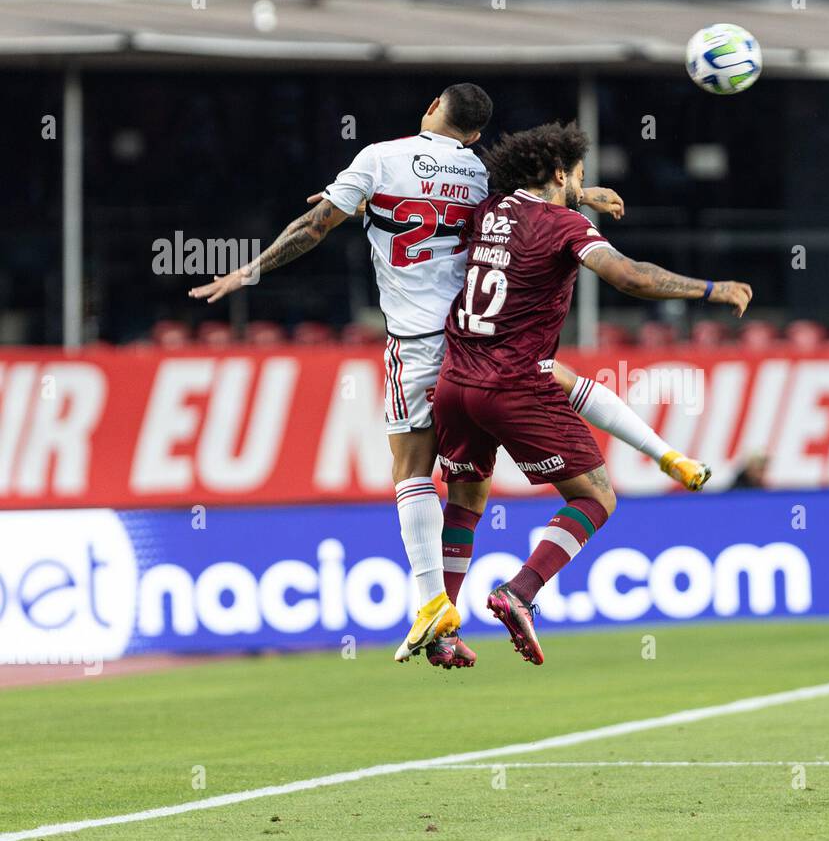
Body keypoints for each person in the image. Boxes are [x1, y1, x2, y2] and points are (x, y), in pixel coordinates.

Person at [188, 86, 709, 671]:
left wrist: (251, 270)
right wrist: (582, 194)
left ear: (434, 105)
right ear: (478, 135)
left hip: (414, 343)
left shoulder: (379, 158)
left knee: (413, 473)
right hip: (476, 334)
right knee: (489, 466)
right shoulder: (481, 176)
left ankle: (433, 602)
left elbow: (313, 228)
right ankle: (666, 460)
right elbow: (536, 199)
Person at [423, 121, 751, 666]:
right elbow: (628, 276)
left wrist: (581, 192)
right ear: (559, 173)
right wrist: (709, 288)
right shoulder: (565, 226)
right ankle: (521, 591)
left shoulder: (488, 209)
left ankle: (441, 630)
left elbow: (537, 196)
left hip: (455, 380)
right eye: (577, 173)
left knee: (465, 501)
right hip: (514, 384)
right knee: (595, 498)